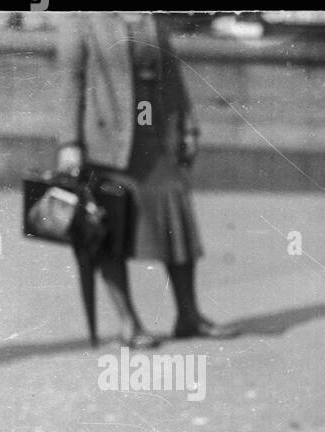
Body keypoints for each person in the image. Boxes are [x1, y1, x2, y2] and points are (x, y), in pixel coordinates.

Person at [57, 12, 238, 347]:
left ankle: (189, 315)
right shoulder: (81, 17)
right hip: (106, 140)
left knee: (176, 217)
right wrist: (69, 142)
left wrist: (188, 125)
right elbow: (71, 79)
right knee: (109, 228)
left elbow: (171, 74)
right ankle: (129, 324)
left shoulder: (150, 15)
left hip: (155, 134)